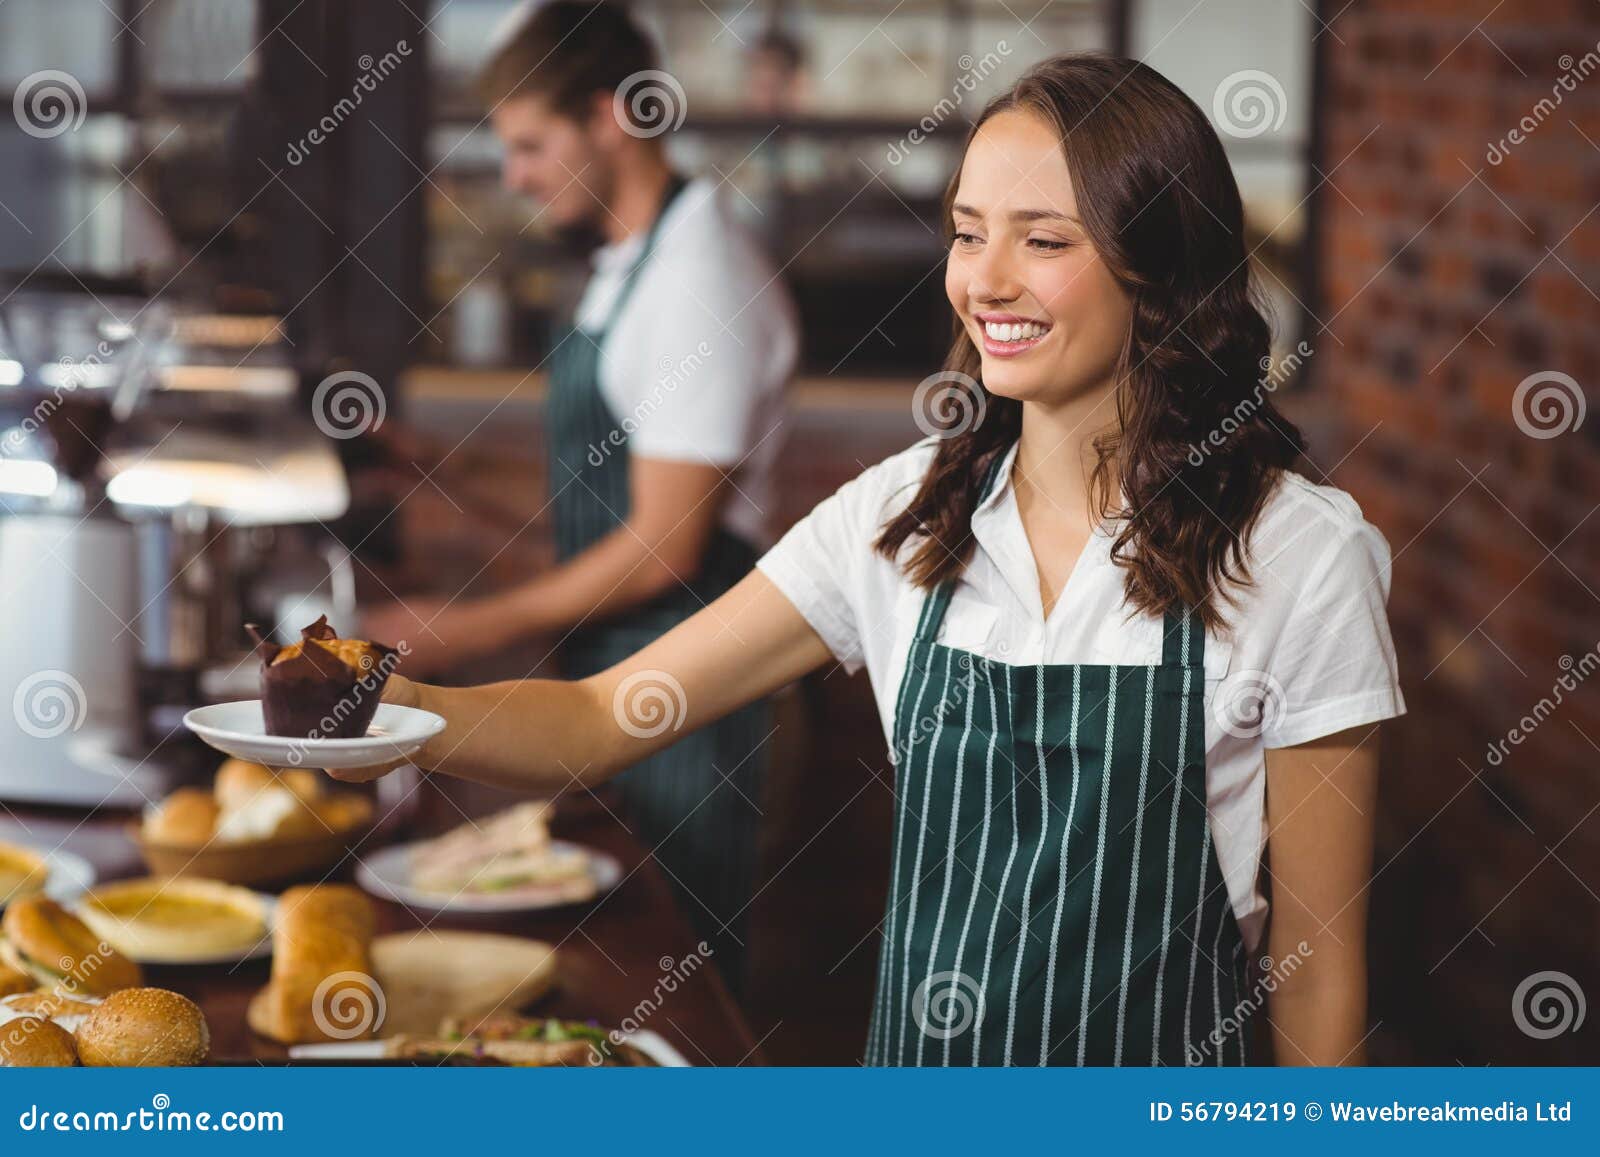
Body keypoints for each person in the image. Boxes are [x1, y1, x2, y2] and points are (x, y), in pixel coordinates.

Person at [342, 53, 1404, 1066]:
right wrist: (382, 714)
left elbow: (1317, 976)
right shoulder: (901, 516)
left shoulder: (1300, 554)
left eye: (1043, 241)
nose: (984, 281)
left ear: (1157, 268)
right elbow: (602, 716)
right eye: (966, 233)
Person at [364, 1, 799, 990]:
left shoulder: (697, 278)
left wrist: (459, 631)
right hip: (611, 679)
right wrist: (447, 469)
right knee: (597, 973)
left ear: (610, 118)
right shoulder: (623, 265)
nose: (513, 176)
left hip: (693, 693)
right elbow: (598, 499)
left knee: (671, 982)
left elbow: (664, 543)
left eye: (529, 144)